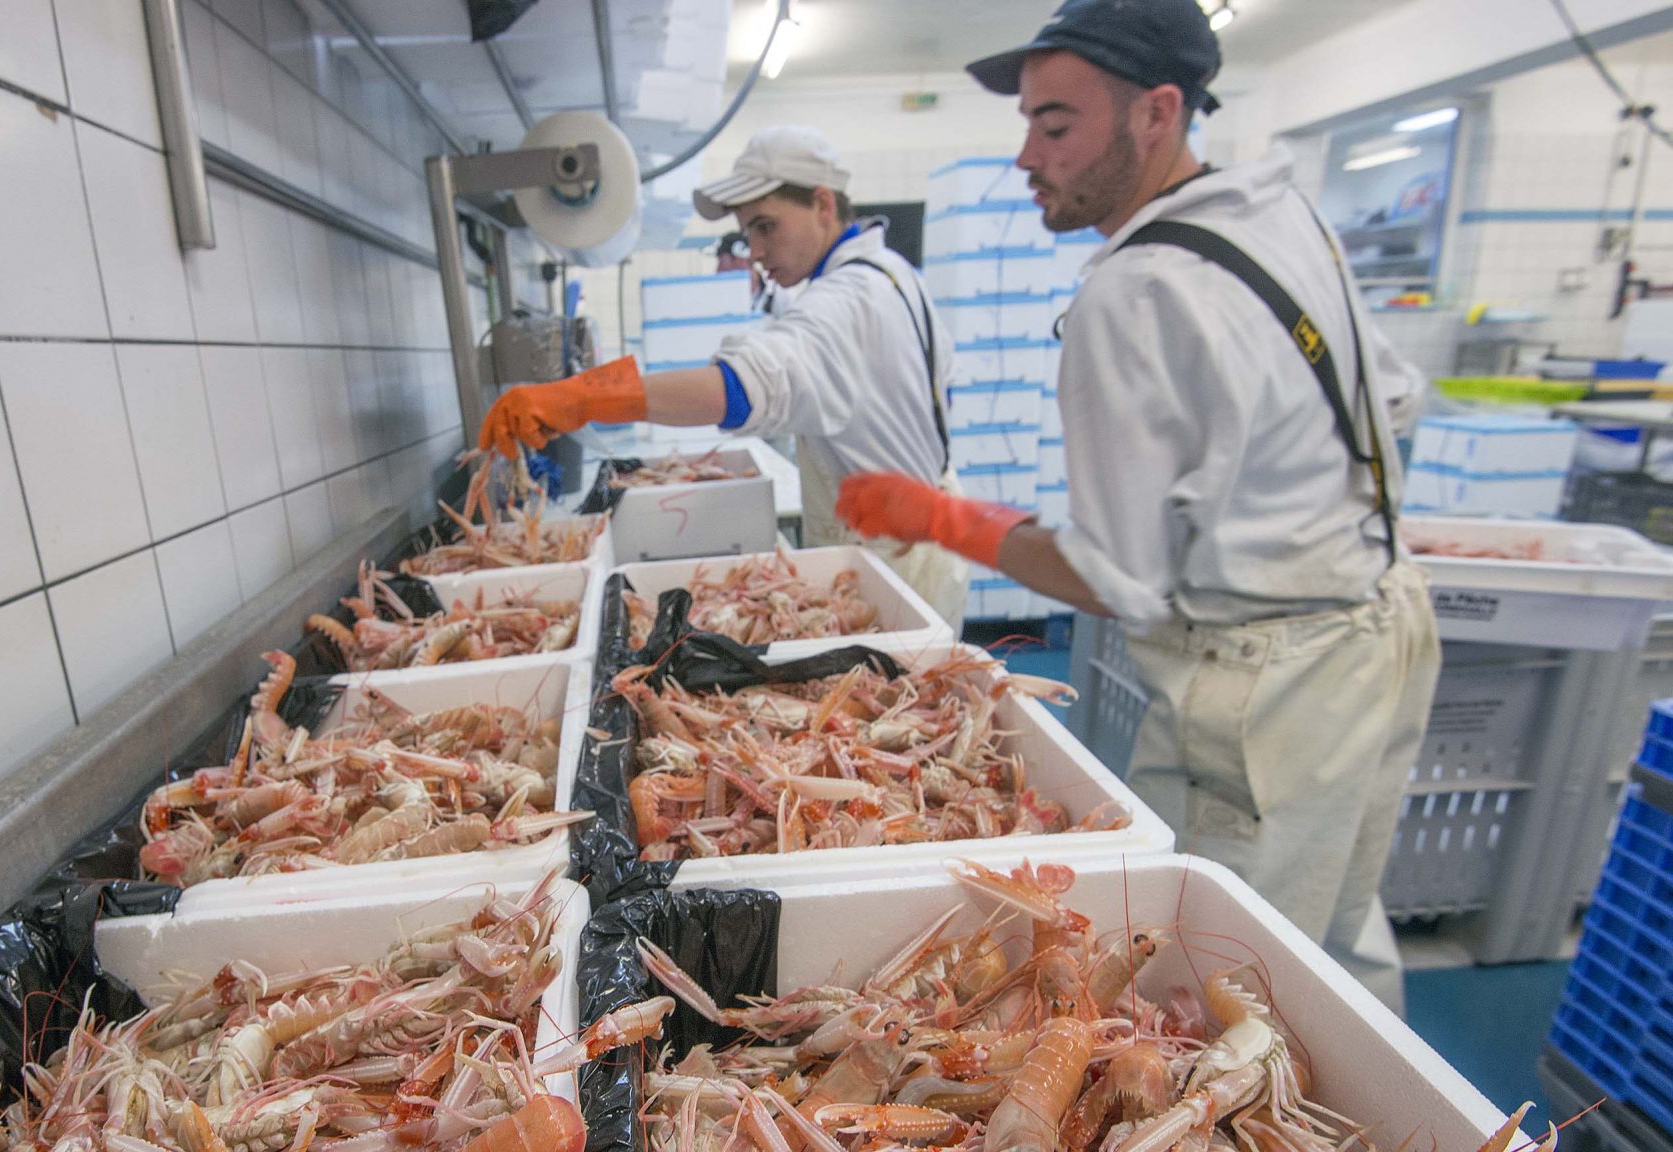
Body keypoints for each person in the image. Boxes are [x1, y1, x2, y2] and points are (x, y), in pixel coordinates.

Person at [836, 0, 1439, 1010]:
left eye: (1056, 125)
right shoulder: (1279, 214)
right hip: (1382, 628)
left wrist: (939, 515)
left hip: (1268, 681)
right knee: (1332, 939)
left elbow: (1116, 583)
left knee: (1203, 980)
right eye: (1028, 123)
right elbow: (1396, 394)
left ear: (1156, 112)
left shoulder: (1134, 288)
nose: (1026, 154)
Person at [479, 127, 969, 624]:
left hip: (893, 566)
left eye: (765, 226)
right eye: (749, 231)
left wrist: (580, 398)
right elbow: (940, 387)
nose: (754, 250)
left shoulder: (845, 302)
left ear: (823, 205)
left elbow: (736, 389)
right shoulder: (891, 273)